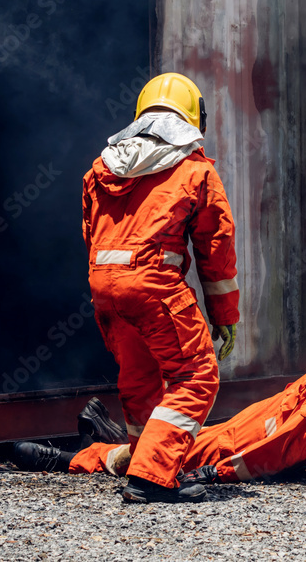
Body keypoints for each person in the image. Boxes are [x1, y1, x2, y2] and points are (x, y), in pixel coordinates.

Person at [81, 72, 239, 503]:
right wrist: (224, 316)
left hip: (104, 287)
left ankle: (142, 459)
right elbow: (216, 250)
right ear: (192, 119)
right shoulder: (194, 170)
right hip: (152, 287)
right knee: (197, 377)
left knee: (138, 378)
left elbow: (91, 233)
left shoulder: (101, 168)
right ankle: (152, 476)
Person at [12, 321, 306, 482]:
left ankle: (108, 444)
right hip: (291, 411)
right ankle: (87, 456)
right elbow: (285, 443)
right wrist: (220, 473)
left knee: (212, 440)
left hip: (292, 407)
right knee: (201, 451)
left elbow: (299, 431)